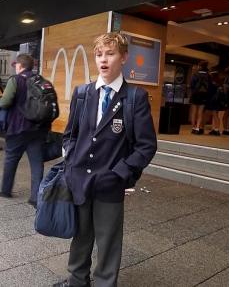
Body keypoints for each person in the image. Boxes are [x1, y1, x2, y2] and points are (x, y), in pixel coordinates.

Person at [54, 32, 157, 287]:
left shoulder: (135, 98)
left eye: (110, 54)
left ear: (123, 58)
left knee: (108, 241)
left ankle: (104, 283)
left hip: (110, 184)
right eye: (99, 54)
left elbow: (146, 146)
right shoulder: (82, 93)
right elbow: (70, 135)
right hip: (79, 179)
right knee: (80, 236)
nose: (103, 60)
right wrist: (71, 161)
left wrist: (121, 173)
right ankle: (77, 281)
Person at [0, 54, 49, 206]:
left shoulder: (15, 80)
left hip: (18, 128)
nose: (15, 67)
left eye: (16, 65)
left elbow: (5, 103)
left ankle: (6, 189)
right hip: (38, 129)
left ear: (20, 66)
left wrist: (0, 101)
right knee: (37, 163)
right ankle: (35, 198)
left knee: (11, 159)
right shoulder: (41, 80)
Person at [204, 69, 227, 136]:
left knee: (215, 115)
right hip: (218, 102)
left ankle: (216, 129)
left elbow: (210, 92)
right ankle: (215, 129)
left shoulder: (212, 83)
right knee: (215, 115)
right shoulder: (219, 83)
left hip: (213, 101)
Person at [190, 61, 210, 134]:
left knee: (193, 112)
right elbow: (210, 87)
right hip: (204, 95)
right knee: (200, 112)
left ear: (200, 66)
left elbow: (191, 85)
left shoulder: (195, 74)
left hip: (195, 94)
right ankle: (198, 128)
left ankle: (193, 127)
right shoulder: (208, 75)